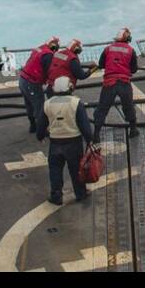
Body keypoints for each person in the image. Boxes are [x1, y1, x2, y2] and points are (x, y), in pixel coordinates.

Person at [36, 75, 94, 205]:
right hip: (74, 142)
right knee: (75, 170)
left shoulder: (48, 104)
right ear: (70, 88)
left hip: (55, 142)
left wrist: (40, 136)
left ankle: (56, 196)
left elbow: (41, 125)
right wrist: (90, 139)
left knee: (55, 169)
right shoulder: (75, 103)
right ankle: (80, 193)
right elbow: (84, 124)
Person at [93, 28, 139, 142]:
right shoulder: (131, 50)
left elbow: (101, 64)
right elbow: (133, 70)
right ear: (128, 38)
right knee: (128, 106)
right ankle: (133, 130)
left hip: (109, 83)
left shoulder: (108, 49)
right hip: (124, 83)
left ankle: (96, 135)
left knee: (102, 108)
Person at [17, 36, 60, 132]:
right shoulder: (48, 55)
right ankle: (42, 131)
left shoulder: (40, 49)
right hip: (32, 83)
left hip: (23, 79)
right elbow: (50, 71)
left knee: (29, 105)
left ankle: (33, 127)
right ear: (53, 45)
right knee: (39, 108)